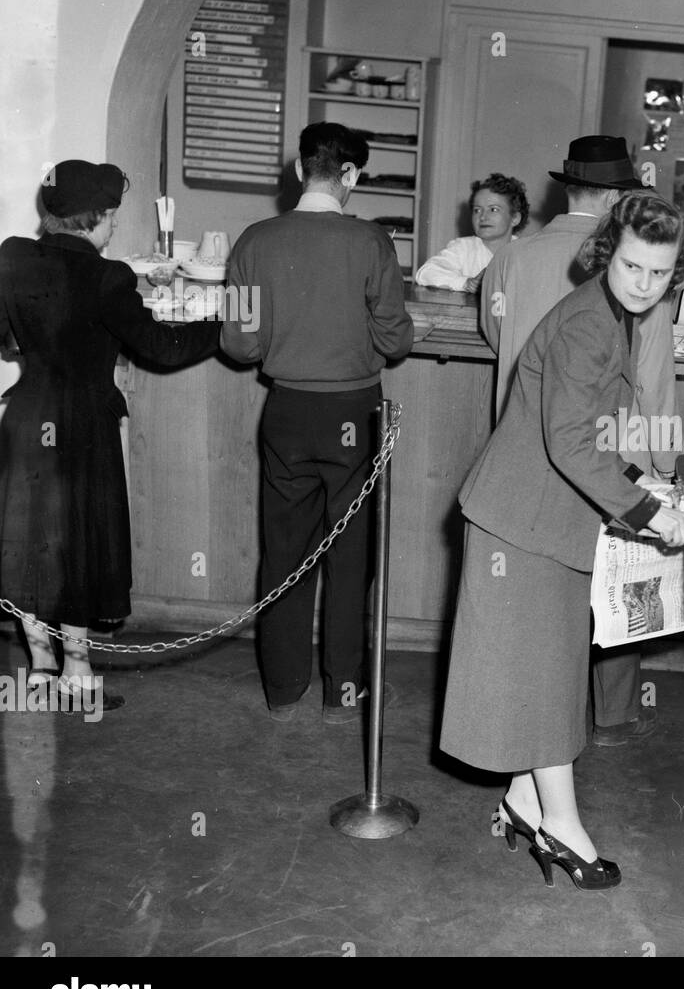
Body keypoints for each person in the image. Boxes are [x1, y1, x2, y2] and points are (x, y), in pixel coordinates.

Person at [440, 193, 684, 889]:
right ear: (607, 250)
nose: (644, 283)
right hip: (522, 525)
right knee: (549, 681)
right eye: (633, 265)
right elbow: (570, 443)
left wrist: (641, 475)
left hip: (537, 520)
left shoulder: (613, 313)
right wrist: (649, 511)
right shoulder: (592, 322)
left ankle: (527, 801)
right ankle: (564, 827)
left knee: (545, 673)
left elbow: (588, 425)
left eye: (660, 272)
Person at [480, 135, 679, 747]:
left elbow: (496, 336)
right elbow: (651, 379)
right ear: (620, 199)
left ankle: (534, 764)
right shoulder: (643, 271)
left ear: (567, 187)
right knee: (622, 601)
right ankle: (614, 719)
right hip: (609, 453)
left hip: (524, 459)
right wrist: (659, 472)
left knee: (537, 632)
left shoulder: (511, 255)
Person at [0, 160, 219, 711]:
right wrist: (223, 321)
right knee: (77, 542)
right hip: (84, 425)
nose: (115, 226)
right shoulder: (108, 276)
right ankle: (76, 673)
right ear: (96, 217)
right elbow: (163, 348)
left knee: (31, 541)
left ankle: (41, 668)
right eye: (113, 216)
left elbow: (6, 337)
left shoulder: (12, 256)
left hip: (26, 415)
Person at [221, 123, 413, 723]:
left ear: (300, 170)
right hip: (355, 413)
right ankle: (344, 690)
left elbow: (238, 345)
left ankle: (282, 687)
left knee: (283, 551)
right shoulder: (373, 242)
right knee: (352, 554)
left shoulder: (253, 240)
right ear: (351, 175)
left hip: (286, 412)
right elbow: (395, 339)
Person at [413, 173, 528, 293]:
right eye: (477, 210)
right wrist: (466, 283)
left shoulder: (526, 252)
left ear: (515, 218)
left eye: (493, 209)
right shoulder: (463, 248)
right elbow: (426, 272)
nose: (483, 217)